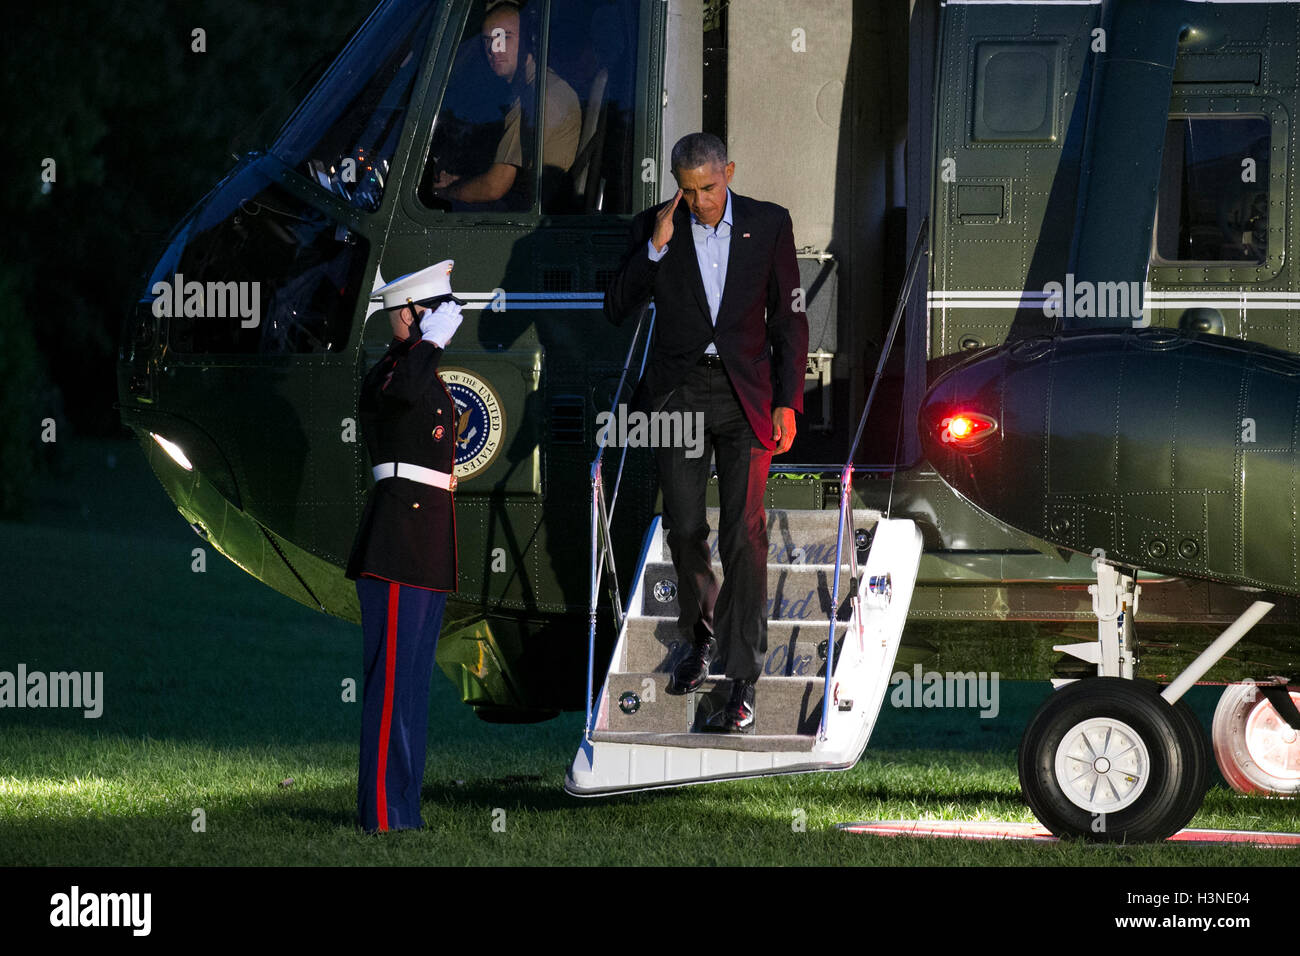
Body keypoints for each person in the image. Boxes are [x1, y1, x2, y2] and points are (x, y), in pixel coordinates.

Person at [603, 133, 807, 733]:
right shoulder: (656, 227)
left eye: (709, 188)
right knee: (686, 527)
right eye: (687, 192)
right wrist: (656, 250)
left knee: (745, 531)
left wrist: (789, 401)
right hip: (679, 394)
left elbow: (790, 319)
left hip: (747, 396)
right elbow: (617, 306)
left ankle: (742, 676)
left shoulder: (770, 224)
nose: (700, 202)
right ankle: (700, 636)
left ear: (730, 173)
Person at [344, 260, 465, 832]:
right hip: (397, 544)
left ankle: (404, 810)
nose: (434, 321)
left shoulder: (420, 371)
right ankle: (382, 816)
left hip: (426, 546)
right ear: (403, 317)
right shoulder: (393, 372)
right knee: (390, 686)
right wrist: (431, 343)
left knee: (412, 688)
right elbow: (406, 393)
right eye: (424, 311)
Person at [430, 0, 580, 208]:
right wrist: (459, 182)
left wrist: (444, 192)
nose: (494, 48)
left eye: (504, 37)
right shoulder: (534, 87)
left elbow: (494, 187)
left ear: (529, 40)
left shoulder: (538, 96)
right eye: (487, 41)